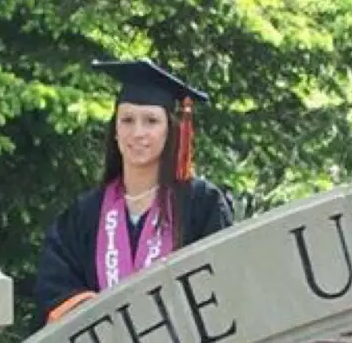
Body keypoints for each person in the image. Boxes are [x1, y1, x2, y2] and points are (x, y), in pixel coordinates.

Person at [34, 59, 233, 327]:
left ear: (171, 131)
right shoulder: (86, 212)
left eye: (151, 121)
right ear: (115, 130)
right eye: (127, 120)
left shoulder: (200, 204)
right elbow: (55, 285)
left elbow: (220, 280)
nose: (137, 133)